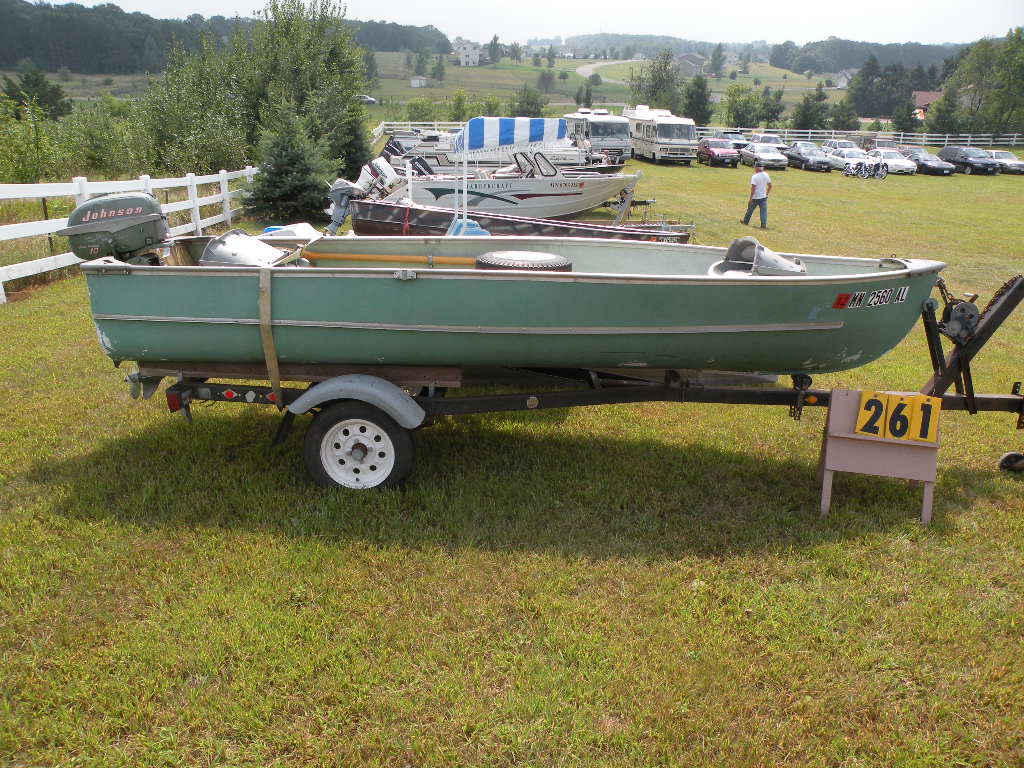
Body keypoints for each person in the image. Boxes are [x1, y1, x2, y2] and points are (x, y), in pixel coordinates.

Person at [741, 162, 772, 229]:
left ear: (757, 168)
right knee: (763, 212)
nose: (754, 168)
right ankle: (763, 225)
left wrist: (750, 198)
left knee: (750, 210)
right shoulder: (766, 175)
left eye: (755, 167)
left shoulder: (754, 177)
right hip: (763, 197)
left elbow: (753, 188)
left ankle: (745, 221)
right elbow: (770, 186)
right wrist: (766, 193)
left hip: (755, 197)